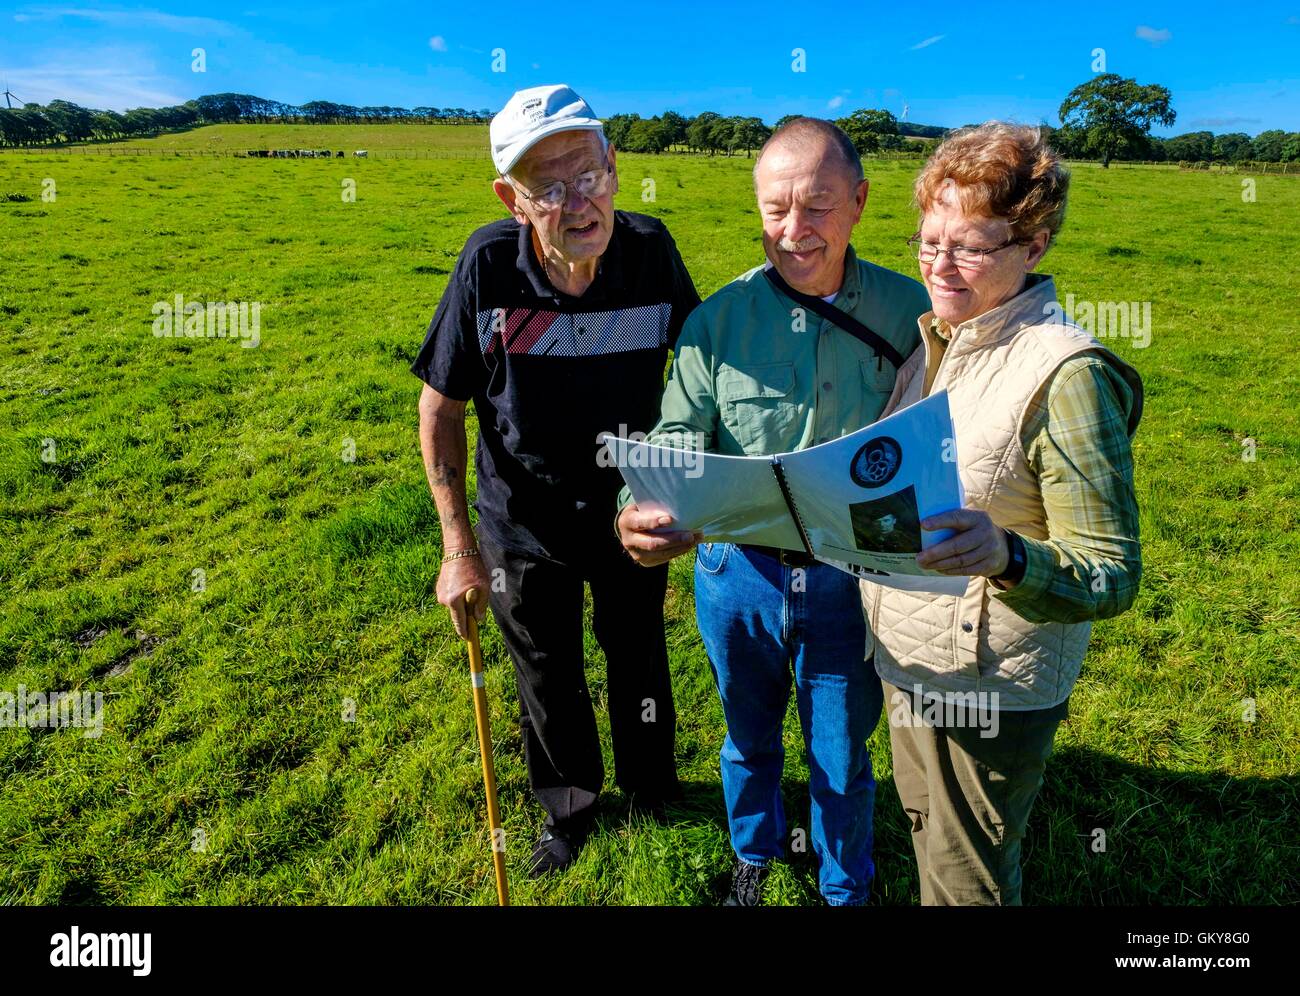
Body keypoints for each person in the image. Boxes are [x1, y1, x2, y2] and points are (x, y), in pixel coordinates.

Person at [616, 118, 930, 906]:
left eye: (818, 207)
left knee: (841, 746)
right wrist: (638, 510)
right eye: (776, 209)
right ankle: (753, 854)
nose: (795, 232)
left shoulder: (914, 311)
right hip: (736, 575)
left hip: (849, 577)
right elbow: (674, 438)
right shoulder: (715, 324)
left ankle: (843, 884)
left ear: (859, 201)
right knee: (746, 733)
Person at [411, 84, 701, 877]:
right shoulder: (485, 267)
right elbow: (440, 409)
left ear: (614, 167)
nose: (580, 203)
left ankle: (649, 789)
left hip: (631, 509)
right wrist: (457, 548)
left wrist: (698, 486)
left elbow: (702, 370)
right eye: (549, 188)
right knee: (546, 670)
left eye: (590, 175)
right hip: (522, 518)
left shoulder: (651, 250)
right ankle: (569, 811)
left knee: (636, 653)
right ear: (512, 199)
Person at [864, 121, 1144, 905]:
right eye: (928, 242)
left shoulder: (1068, 374)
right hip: (915, 661)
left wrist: (1010, 557)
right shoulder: (943, 339)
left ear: (1035, 245)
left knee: (967, 884)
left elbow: (1114, 575)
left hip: (990, 683)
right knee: (931, 840)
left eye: (972, 247)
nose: (940, 266)